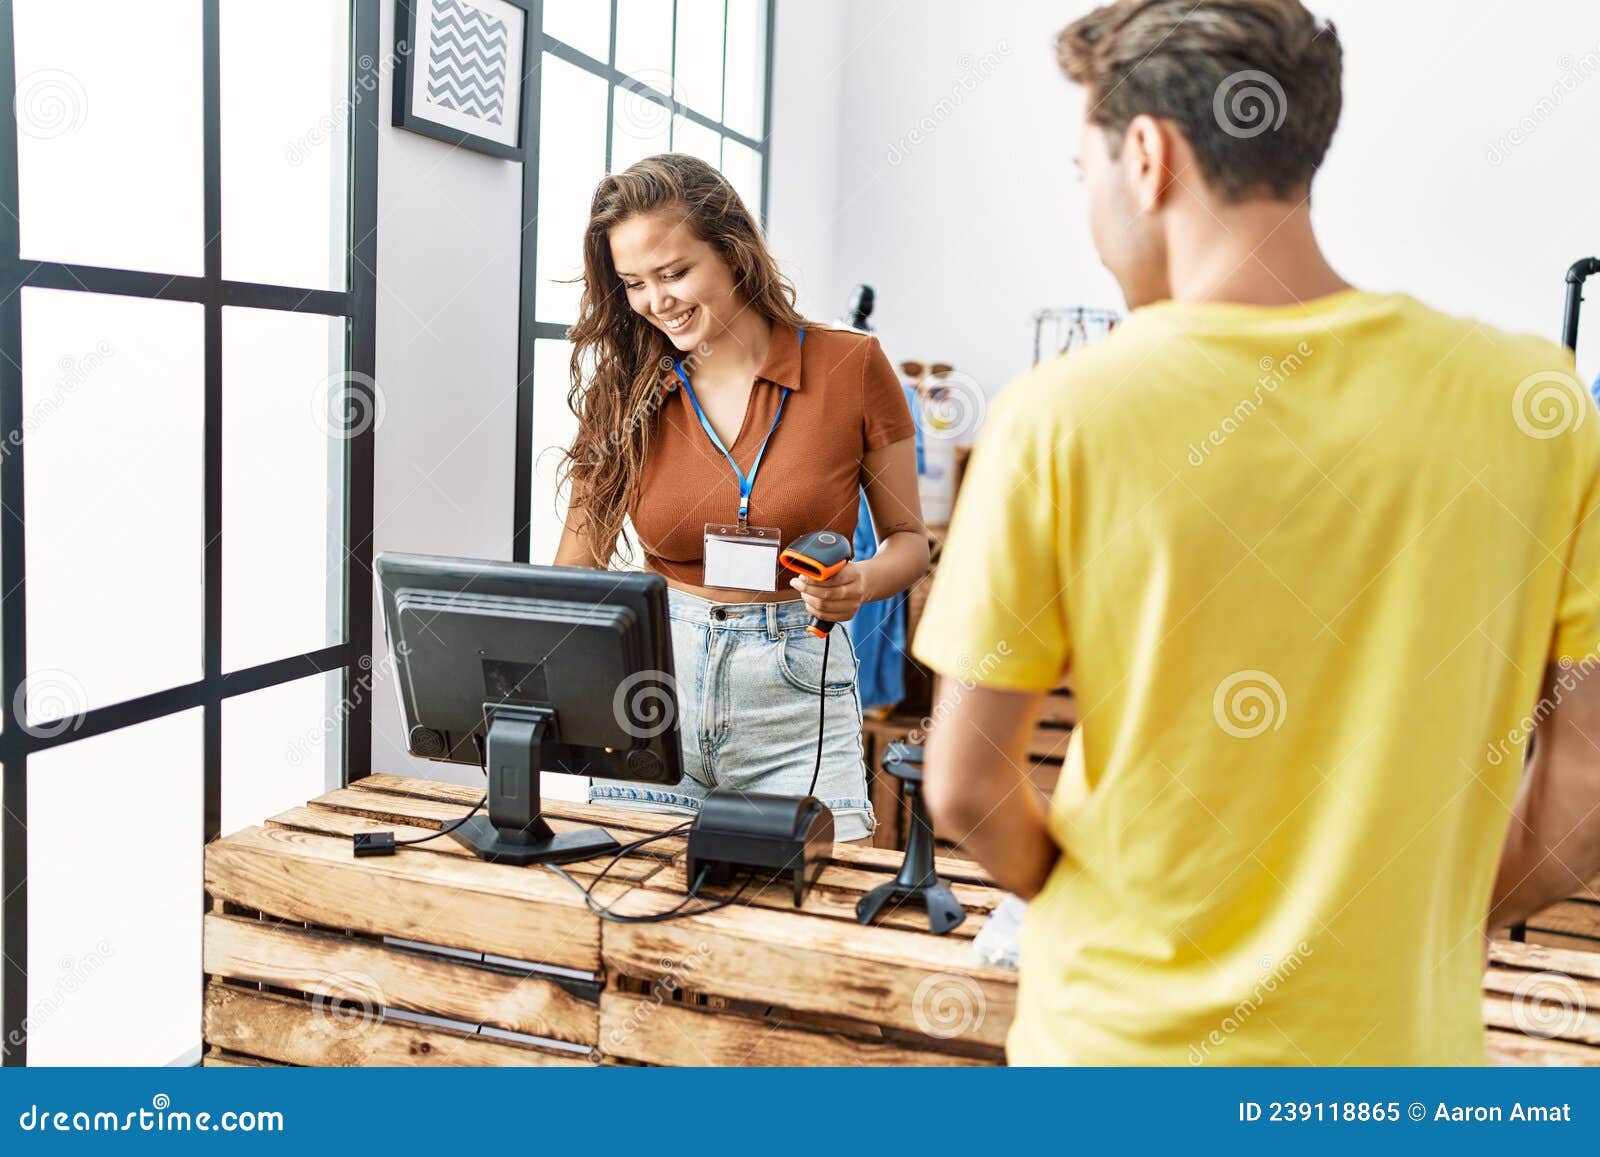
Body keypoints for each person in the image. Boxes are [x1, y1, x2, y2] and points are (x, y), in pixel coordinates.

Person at [911, 0, 1600, 1064]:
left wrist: (1114, 910)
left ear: (1146, 156)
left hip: (1117, 1056)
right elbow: (1581, 783)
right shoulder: (1533, 400)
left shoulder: (1062, 412)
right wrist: (1407, 928)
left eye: (1082, 166)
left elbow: (961, 783)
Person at [553, 153, 928, 843]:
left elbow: (911, 542)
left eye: (673, 273)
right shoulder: (623, 391)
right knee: (635, 921)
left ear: (732, 250)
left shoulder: (852, 365)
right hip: (652, 690)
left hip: (796, 690)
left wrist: (860, 582)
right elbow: (575, 567)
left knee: (813, 923)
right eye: (634, 283)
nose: (656, 300)